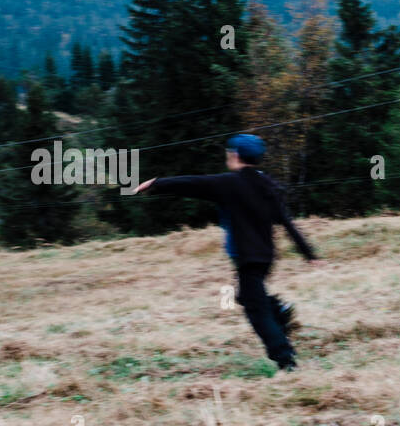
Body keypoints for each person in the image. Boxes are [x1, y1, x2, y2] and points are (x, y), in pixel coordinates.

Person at [132, 134, 318, 371]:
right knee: (246, 297)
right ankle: (279, 312)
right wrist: (309, 253)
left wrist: (157, 183)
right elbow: (287, 222)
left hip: (247, 257)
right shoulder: (267, 184)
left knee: (255, 310)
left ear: (235, 155)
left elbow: (192, 183)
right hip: (265, 257)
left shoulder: (229, 183)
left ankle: (285, 358)